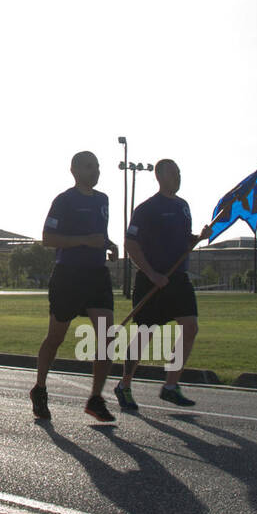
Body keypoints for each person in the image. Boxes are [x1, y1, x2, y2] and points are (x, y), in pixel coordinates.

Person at [30, 151, 119, 423]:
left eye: (98, 167)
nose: (96, 171)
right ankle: (40, 388)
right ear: (75, 170)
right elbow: (48, 238)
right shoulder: (64, 200)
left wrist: (109, 245)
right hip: (68, 275)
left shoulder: (103, 199)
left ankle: (95, 398)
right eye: (90, 167)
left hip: (97, 276)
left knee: (107, 337)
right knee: (55, 338)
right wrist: (84, 241)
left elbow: (99, 236)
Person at [116, 159, 210, 409]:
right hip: (152, 281)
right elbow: (131, 244)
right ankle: (124, 384)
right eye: (174, 173)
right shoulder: (147, 208)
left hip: (178, 278)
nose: (178, 177)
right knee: (144, 335)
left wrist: (198, 238)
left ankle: (170, 385)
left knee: (190, 327)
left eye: (179, 173)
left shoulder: (183, 206)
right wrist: (151, 273)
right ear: (160, 176)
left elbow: (182, 242)